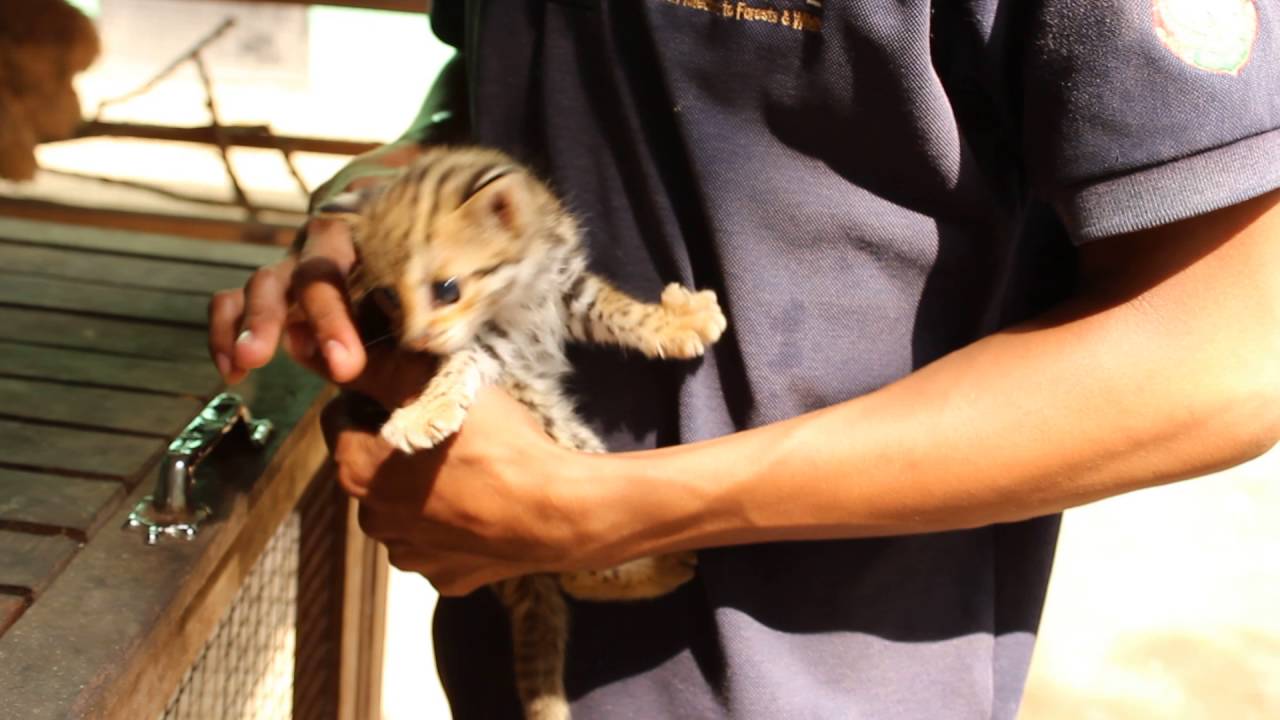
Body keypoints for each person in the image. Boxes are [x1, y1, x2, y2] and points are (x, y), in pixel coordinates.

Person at [208, 2, 1280, 717]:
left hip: (818, 684)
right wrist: (374, 215)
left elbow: (1228, 344)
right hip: (508, 666)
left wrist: (600, 510)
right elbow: (489, 79)